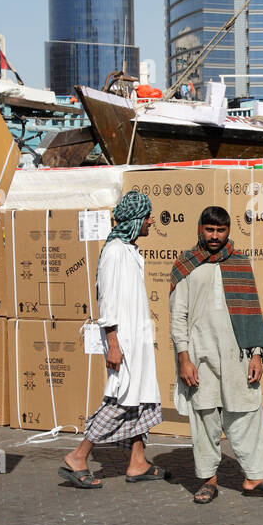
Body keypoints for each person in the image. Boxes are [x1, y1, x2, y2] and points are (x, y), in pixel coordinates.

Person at [171, 207, 263, 504]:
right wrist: (184, 358)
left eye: (220, 231)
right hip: (200, 354)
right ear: (200, 228)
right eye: (209, 229)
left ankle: (254, 477)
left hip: (238, 354)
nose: (214, 236)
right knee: (205, 417)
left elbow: (252, 311)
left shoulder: (240, 263)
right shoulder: (186, 265)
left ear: (228, 231)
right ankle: (208, 480)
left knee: (247, 413)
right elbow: (178, 318)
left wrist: (257, 355)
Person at [58, 190, 168, 489]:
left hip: (137, 340)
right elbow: (106, 303)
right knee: (120, 400)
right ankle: (79, 456)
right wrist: (114, 344)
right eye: (147, 217)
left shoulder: (129, 250)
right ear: (135, 219)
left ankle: (137, 461)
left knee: (139, 399)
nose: (150, 222)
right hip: (124, 341)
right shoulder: (114, 251)